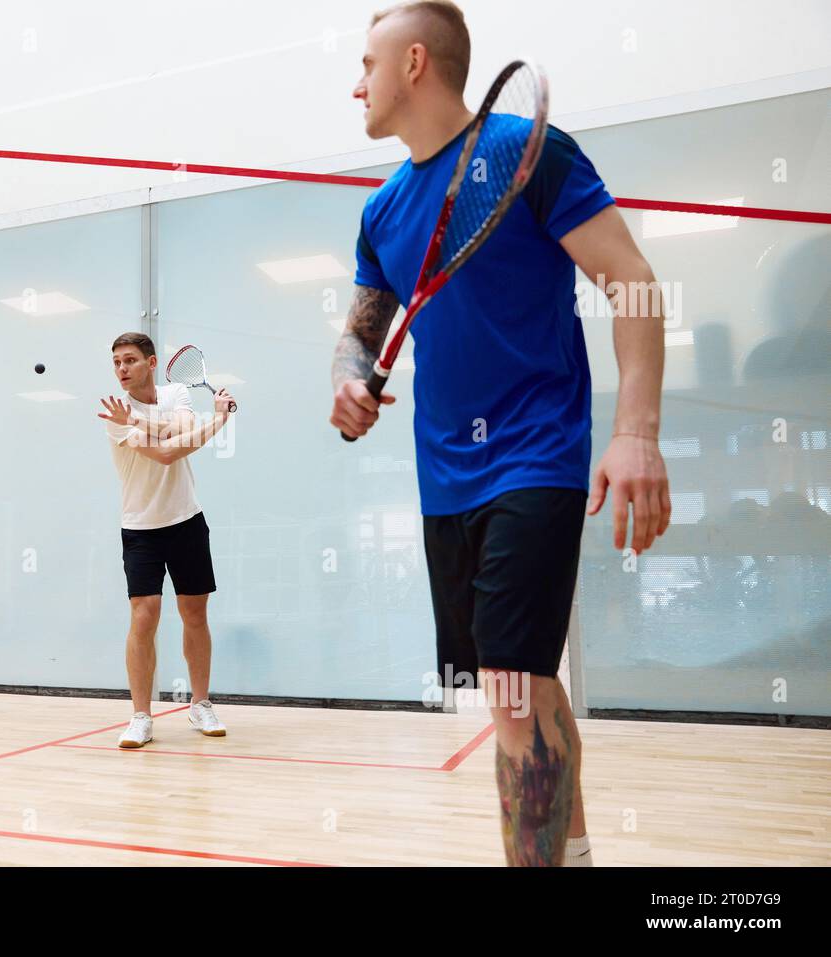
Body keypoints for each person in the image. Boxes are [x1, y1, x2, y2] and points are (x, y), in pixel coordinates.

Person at [331, 1, 671, 865]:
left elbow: (630, 279)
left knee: (512, 693)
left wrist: (635, 432)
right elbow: (360, 333)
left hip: (536, 454)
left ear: (414, 63)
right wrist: (345, 380)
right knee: (517, 684)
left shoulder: (526, 153)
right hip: (445, 477)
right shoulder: (381, 211)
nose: (354, 84)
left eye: (366, 65)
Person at [98, 332, 237, 748]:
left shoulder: (177, 391)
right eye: (117, 363)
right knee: (144, 617)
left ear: (152, 363)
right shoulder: (113, 412)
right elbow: (168, 452)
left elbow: (183, 433)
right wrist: (220, 419)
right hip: (140, 527)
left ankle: (199, 704)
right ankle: (141, 716)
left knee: (195, 614)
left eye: (130, 361)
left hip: (186, 520)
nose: (122, 370)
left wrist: (146, 422)